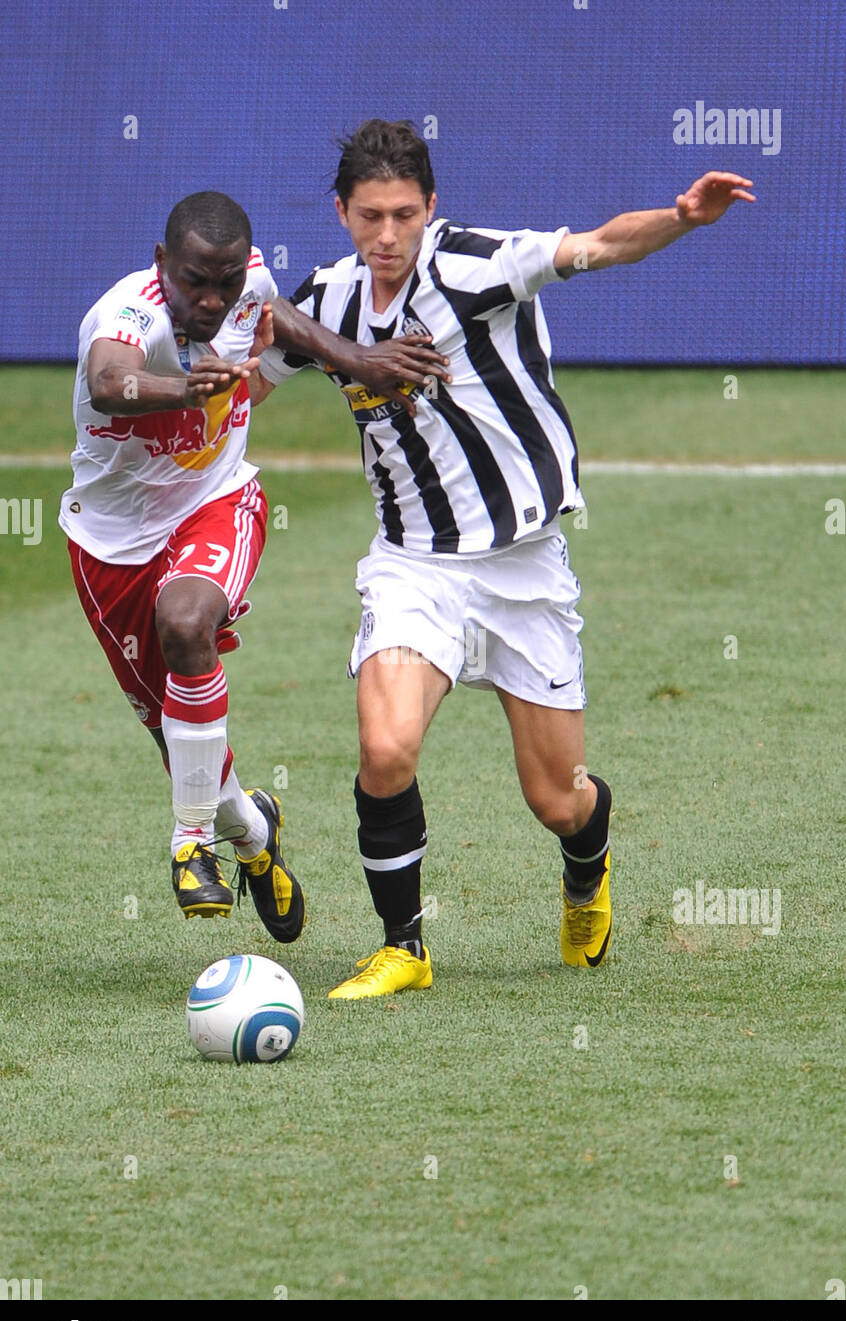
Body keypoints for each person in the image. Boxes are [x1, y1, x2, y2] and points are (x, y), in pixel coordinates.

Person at [256, 120, 755, 996]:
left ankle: (585, 871)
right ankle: (404, 949)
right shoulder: (327, 300)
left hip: (523, 567)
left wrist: (681, 216)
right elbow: (249, 374)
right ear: (340, 213)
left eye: (403, 214)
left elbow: (597, 245)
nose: (386, 236)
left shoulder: (475, 265)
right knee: (386, 748)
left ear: (431, 208)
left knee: (557, 799)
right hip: (414, 565)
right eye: (369, 216)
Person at [62, 188, 447, 940]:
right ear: (161, 264)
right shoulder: (125, 314)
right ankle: (253, 835)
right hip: (111, 543)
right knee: (180, 743)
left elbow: (281, 317)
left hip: (217, 502)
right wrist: (183, 387)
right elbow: (111, 381)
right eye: (195, 282)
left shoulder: (250, 284)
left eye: (226, 283)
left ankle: (191, 844)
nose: (212, 300)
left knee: (186, 621)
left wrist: (363, 359)